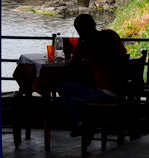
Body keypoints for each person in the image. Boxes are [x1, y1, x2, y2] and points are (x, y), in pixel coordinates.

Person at [54, 13, 129, 150]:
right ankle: (85, 124)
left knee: (63, 88)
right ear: (94, 24)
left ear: (79, 31)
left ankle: (81, 123)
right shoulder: (111, 35)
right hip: (123, 89)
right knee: (84, 88)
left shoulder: (84, 44)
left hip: (104, 94)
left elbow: (72, 67)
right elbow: (124, 54)